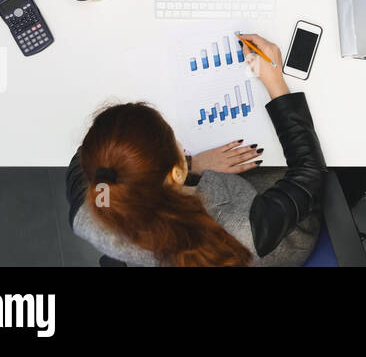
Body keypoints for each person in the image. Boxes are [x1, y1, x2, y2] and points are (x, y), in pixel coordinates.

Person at [66, 33, 325, 266]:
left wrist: (194, 165)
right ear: (176, 174)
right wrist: (273, 77)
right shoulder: (239, 227)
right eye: (172, 137)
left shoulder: (89, 212)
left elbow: (88, 156)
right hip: (274, 239)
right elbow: (309, 175)